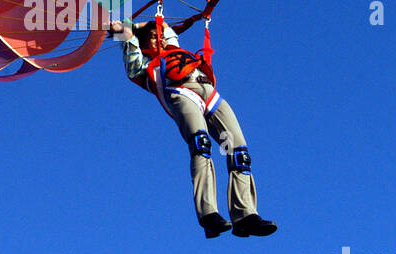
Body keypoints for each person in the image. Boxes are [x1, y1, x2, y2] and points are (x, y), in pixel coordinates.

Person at [110, 17, 277, 239]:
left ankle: (245, 215)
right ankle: (209, 215)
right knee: (201, 144)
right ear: (144, 44)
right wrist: (129, 29)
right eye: (152, 37)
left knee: (239, 153)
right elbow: (126, 33)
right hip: (181, 92)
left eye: (158, 35)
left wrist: (153, 23)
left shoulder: (173, 46)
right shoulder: (142, 65)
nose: (158, 38)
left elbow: (165, 28)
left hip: (208, 93)